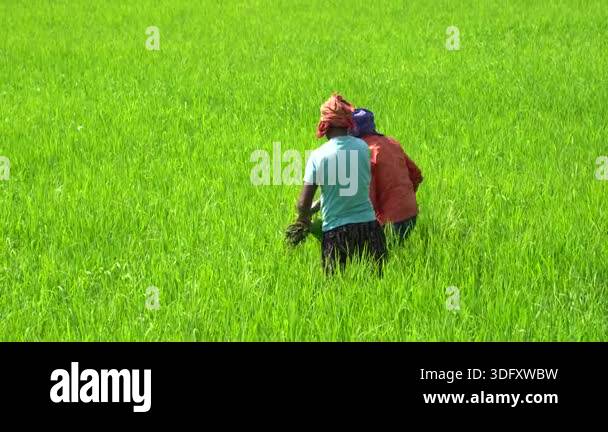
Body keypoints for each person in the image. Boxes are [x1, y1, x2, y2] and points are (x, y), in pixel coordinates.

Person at [292, 93, 387, 275]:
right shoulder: (362, 148)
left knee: (335, 291)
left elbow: (303, 204)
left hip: (337, 233)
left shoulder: (318, 156)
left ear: (325, 125)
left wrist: (303, 219)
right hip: (369, 228)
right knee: (375, 288)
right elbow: (349, 187)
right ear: (347, 123)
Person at [352, 108, 423, 241]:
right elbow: (416, 175)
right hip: (411, 212)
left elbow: (368, 192)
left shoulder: (363, 151)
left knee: (378, 258)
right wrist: (404, 198)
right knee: (397, 253)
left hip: (389, 219)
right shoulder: (391, 142)